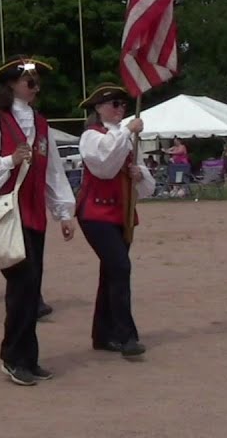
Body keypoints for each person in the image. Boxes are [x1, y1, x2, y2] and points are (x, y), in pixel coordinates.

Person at [0, 57, 77, 386]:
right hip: (7, 214)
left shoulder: (41, 124)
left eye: (36, 81)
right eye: (28, 80)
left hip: (33, 216)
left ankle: (26, 357)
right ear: (12, 84)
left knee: (31, 289)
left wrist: (63, 211)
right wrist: (10, 160)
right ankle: (13, 357)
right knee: (23, 285)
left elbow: (54, 172)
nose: (34, 85)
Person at [76, 83, 155, 358]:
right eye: (114, 105)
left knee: (111, 273)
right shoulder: (91, 136)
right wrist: (127, 132)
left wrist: (139, 174)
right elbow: (105, 167)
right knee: (120, 268)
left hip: (121, 213)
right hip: (95, 214)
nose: (120, 109)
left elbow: (146, 186)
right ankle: (126, 336)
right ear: (98, 108)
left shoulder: (126, 138)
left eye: (122, 105)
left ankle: (103, 334)